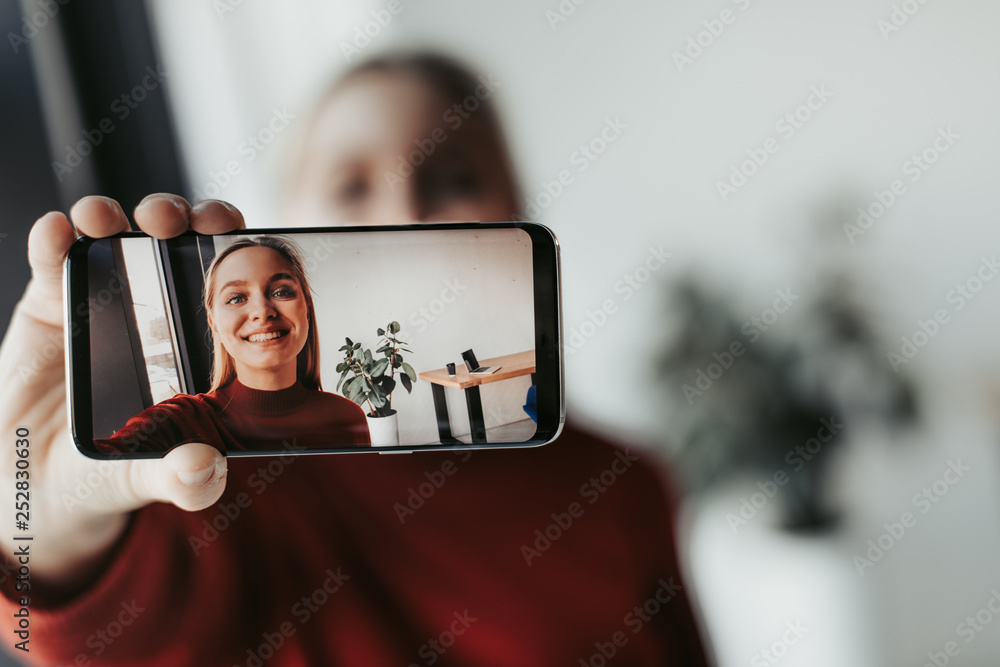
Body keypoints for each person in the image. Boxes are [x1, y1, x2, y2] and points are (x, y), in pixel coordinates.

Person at [0, 53, 711, 665]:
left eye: (453, 176)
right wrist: (39, 520)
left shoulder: (622, 486)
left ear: (516, 204)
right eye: (351, 185)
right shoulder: (212, 479)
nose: (403, 208)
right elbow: (102, 631)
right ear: (290, 221)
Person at [93, 235, 371, 455]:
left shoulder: (348, 416)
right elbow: (103, 465)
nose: (262, 311)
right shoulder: (179, 423)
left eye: (281, 292)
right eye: (237, 298)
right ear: (213, 322)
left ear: (306, 309)